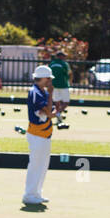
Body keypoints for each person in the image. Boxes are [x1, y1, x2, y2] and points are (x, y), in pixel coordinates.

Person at [23, 65, 56, 205]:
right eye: (48, 78)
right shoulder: (36, 92)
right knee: (35, 165)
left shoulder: (43, 91)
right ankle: (29, 195)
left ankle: (37, 193)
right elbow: (48, 111)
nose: (50, 81)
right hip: (36, 134)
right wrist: (51, 95)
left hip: (45, 133)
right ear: (43, 78)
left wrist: (50, 110)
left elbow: (50, 112)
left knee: (43, 165)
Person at [47, 49, 72, 128]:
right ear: (61, 56)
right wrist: (70, 82)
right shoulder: (65, 64)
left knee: (57, 102)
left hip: (53, 85)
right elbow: (70, 73)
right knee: (66, 102)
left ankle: (58, 117)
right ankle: (58, 113)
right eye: (63, 56)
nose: (64, 57)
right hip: (63, 85)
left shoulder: (51, 64)